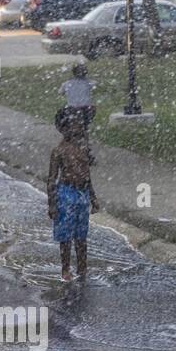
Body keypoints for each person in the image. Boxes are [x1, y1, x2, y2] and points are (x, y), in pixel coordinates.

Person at [48, 111, 99, 281]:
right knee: (66, 236)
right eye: (73, 125)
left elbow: (87, 174)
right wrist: (52, 204)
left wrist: (93, 197)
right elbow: (51, 180)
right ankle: (65, 268)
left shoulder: (83, 147)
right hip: (66, 194)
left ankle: (82, 267)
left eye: (79, 125)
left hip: (82, 194)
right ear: (63, 129)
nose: (77, 128)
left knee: (81, 235)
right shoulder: (58, 151)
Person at [59, 63, 96, 136]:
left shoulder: (67, 83)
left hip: (72, 108)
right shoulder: (89, 82)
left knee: (63, 116)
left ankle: (69, 132)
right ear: (86, 73)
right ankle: (85, 131)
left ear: (73, 73)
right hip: (86, 108)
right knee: (86, 123)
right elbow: (95, 84)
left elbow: (60, 92)